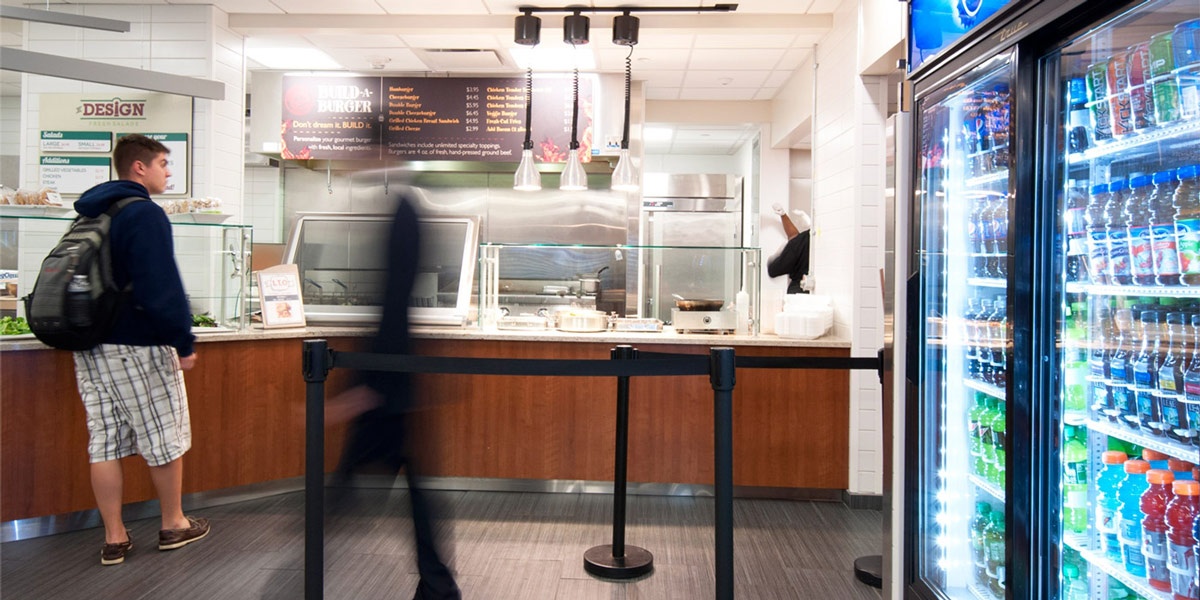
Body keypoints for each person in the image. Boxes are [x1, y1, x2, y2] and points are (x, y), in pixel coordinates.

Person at [71, 134, 208, 566]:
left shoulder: (93, 211)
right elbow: (160, 285)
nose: (168, 172)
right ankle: (174, 524)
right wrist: (182, 340)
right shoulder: (144, 213)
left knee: (104, 442)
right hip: (137, 344)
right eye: (163, 163)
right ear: (139, 167)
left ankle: (114, 538)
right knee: (164, 435)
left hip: (91, 344)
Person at [330, 192, 462, 600]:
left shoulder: (403, 210)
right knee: (407, 485)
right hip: (392, 378)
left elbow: (393, 300)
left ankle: (439, 584)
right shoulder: (403, 208)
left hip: (388, 379)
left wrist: (367, 384)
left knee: (357, 486)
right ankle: (438, 583)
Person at [767, 203, 812, 294]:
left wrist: (780, 252)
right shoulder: (810, 240)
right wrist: (783, 216)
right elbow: (794, 237)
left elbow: (774, 269)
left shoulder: (802, 241)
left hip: (798, 292)